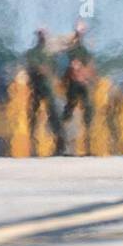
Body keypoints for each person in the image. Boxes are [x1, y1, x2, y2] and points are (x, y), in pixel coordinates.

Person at [26, 28, 63, 155]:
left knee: (54, 116)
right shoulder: (32, 53)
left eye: (44, 35)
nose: (42, 37)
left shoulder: (50, 55)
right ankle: (31, 145)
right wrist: (42, 70)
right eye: (41, 35)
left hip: (48, 89)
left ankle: (59, 143)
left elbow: (53, 70)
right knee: (33, 118)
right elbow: (35, 68)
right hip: (36, 89)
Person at [60, 21, 96, 155]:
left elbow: (87, 66)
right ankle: (67, 145)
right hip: (74, 84)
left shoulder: (83, 50)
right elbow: (73, 66)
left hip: (81, 84)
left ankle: (87, 145)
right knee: (69, 111)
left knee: (87, 110)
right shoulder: (72, 49)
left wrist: (87, 78)